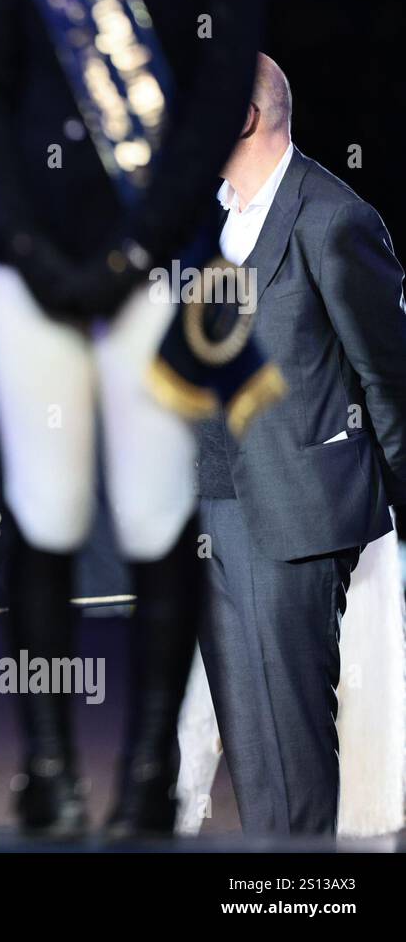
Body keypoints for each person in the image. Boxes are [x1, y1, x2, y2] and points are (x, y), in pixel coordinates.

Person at [0, 0, 263, 835]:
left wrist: (140, 244)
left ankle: (150, 773)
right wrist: (21, 244)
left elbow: (215, 97)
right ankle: (49, 772)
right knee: (43, 510)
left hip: (159, 262)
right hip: (30, 269)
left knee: (158, 513)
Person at [192, 54, 406, 835]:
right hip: (213, 512)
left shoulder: (334, 217)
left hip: (299, 518)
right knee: (252, 754)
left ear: (244, 117)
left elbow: (388, 381)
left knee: (292, 745)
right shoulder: (209, 218)